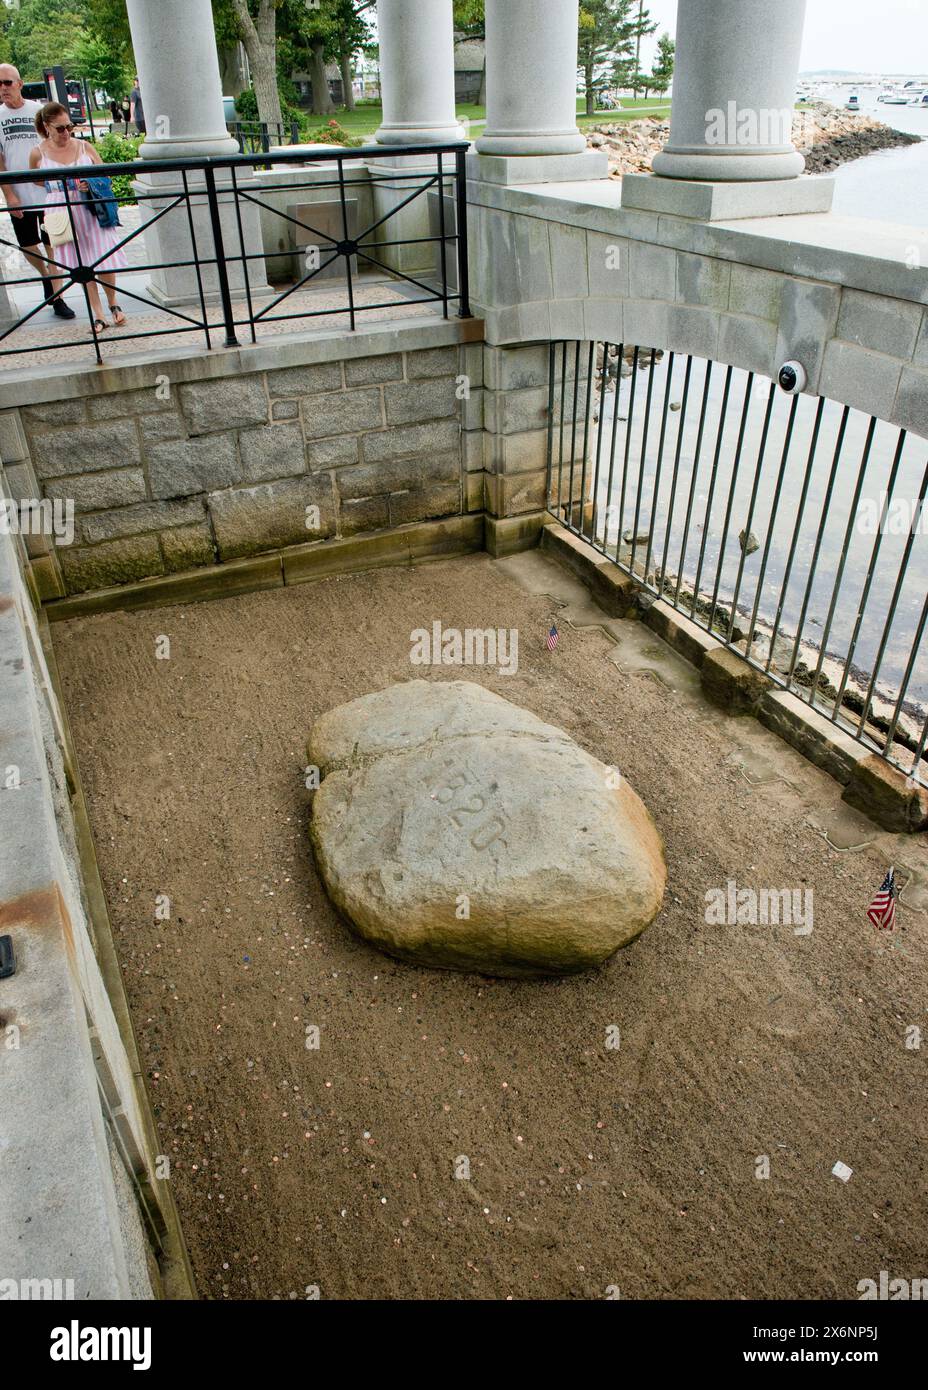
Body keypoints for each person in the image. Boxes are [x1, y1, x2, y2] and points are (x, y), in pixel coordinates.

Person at [30, 102, 129, 333]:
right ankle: (98, 313)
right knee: (81, 263)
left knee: (102, 255)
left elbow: (105, 174)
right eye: (60, 128)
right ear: (47, 127)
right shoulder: (38, 151)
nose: (66, 132)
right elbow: (34, 179)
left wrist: (90, 182)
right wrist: (55, 186)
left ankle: (113, 302)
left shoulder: (84, 146)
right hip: (61, 209)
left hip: (90, 206)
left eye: (69, 126)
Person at [0, 63, 75, 318]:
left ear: (19, 83)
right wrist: (9, 195)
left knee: (53, 242)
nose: (3, 88)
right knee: (28, 245)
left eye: (7, 82)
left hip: (46, 190)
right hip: (18, 192)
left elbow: (57, 140)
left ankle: (58, 297)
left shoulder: (39, 111)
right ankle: (46, 277)